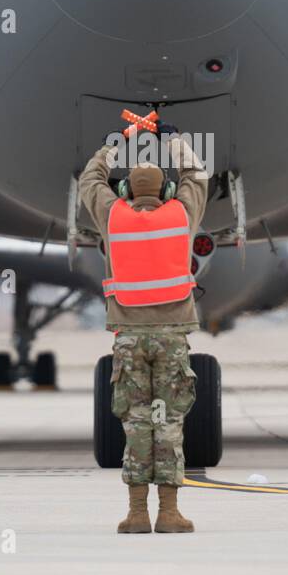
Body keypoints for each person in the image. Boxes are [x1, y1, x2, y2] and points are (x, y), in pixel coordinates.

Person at [80, 130, 209, 533]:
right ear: (168, 190)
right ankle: (169, 513)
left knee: (136, 421)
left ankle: (136, 513)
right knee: (168, 422)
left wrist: (111, 146)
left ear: (125, 190)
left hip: (129, 337)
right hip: (172, 336)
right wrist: (176, 145)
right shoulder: (181, 215)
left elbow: (89, 181)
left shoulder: (113, 217)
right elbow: (197, 176)